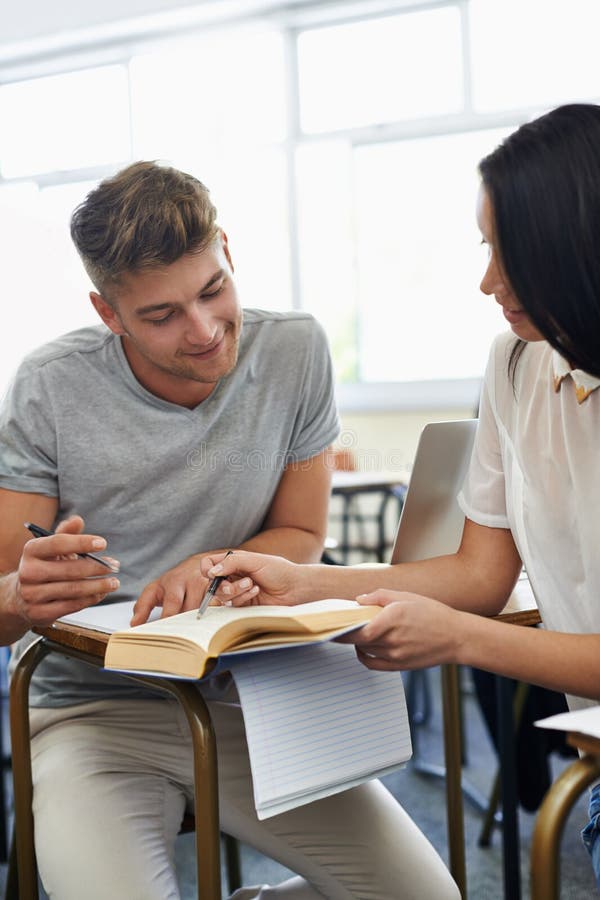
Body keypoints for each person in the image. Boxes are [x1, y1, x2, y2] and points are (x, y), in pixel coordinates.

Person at [0, 161, 460, 900]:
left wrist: (217, 561)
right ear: (108, 312)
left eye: (214, 291)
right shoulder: (48, 384)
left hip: (252, 702)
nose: (206, 331)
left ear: (228, 252)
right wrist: (25, 595)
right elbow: (1, 608)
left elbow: (302, 529)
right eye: (160, 316)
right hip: (92, 715)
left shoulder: (295, 350)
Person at [199, 103, 600, 889]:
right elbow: (480, 572)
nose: (487, 281)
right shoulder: (517, 366)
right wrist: (310, 582)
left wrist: (456, 639)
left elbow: (468, 617)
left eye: (508, 253)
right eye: (486, 247)